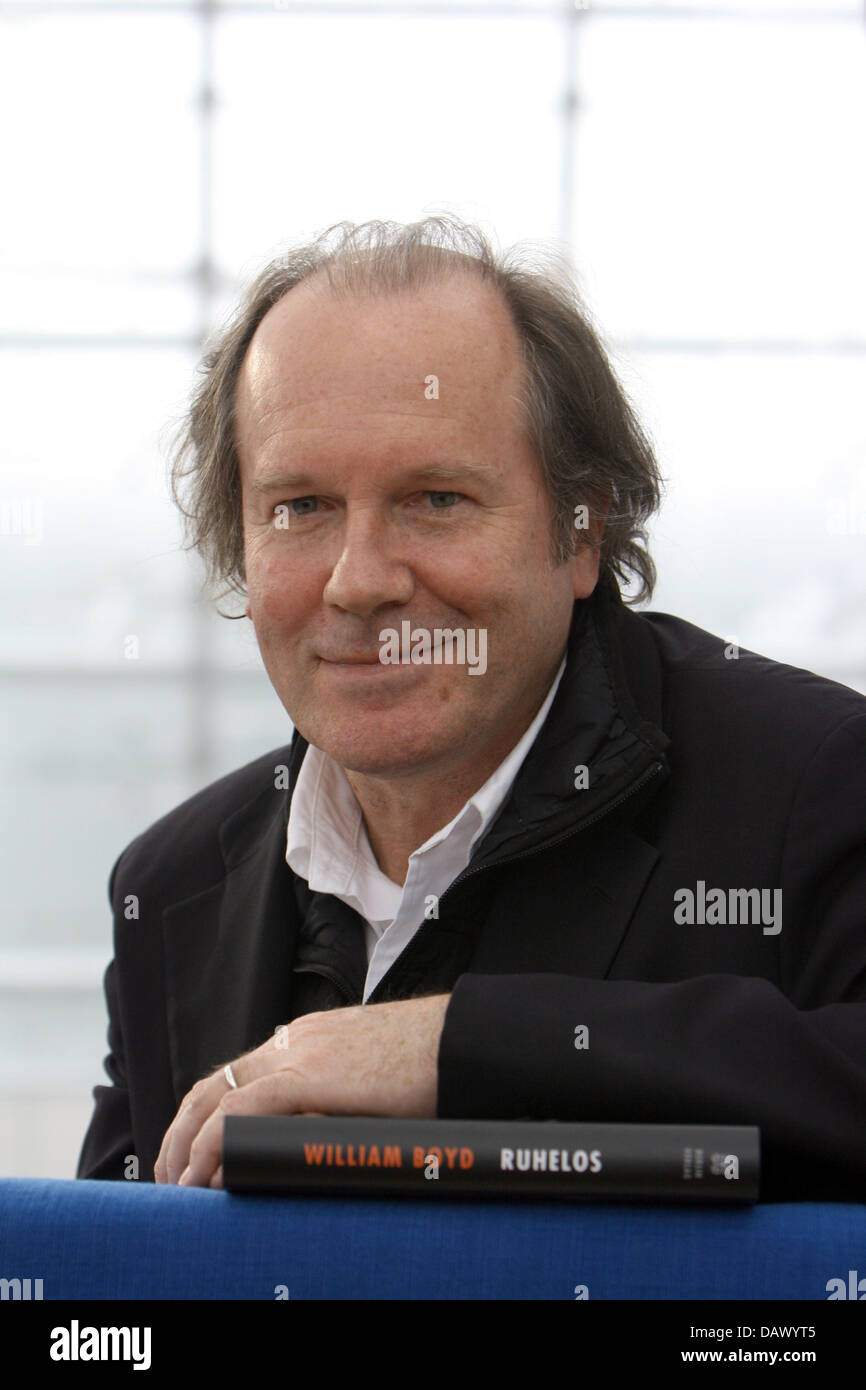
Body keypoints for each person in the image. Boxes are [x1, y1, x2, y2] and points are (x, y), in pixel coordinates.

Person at [77, 216, 866, 1199]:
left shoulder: (817, 782)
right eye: (300, 507)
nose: (357, 582)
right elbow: (113, 1278)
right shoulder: (172, 887)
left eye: (435, 499)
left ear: (580, 533)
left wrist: (448, 1046)